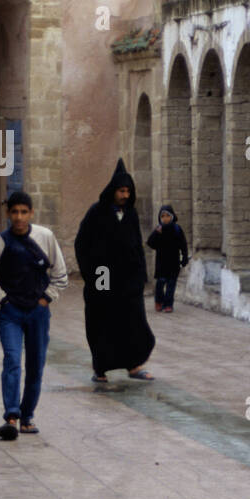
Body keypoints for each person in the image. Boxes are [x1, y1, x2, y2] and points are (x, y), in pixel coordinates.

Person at [0, 192, 68, 440]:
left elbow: (60, 275)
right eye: (14, 212)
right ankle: (11, 415)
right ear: (8, 214)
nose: (19, 217)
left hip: (38, 313)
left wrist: (45, 299)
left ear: (31, 213)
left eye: (23, 212)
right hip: (11, 313)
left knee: (36, 364)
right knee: (11, 360)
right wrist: (3, 299)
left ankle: (27, 416)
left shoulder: (45, 238)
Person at [74, 160, 155, 383]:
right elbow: (82, 243)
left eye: (128, 191)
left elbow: (137, 245)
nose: (125, 195)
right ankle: (100, 368)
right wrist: (92, 274)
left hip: (127, 279)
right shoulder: (97, 212)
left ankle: (134, 364)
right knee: (102, 320)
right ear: (113, 191)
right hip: (103, 275)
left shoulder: (131, 214)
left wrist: (140, 276)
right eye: (121, 190)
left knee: (133, 321)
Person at [146, 204, 189, 313]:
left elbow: (183, 245)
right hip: (161, 262)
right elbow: (150, 243)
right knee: (160, 283)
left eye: (167, 216)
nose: (165, 218)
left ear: (172, 216)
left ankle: (168, 304)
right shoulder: (159, 229)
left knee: (171, 284)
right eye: (163, 216)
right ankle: (159, 302)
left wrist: (184, 258)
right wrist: (156, 233)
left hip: (174, 261)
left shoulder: (177, 229)